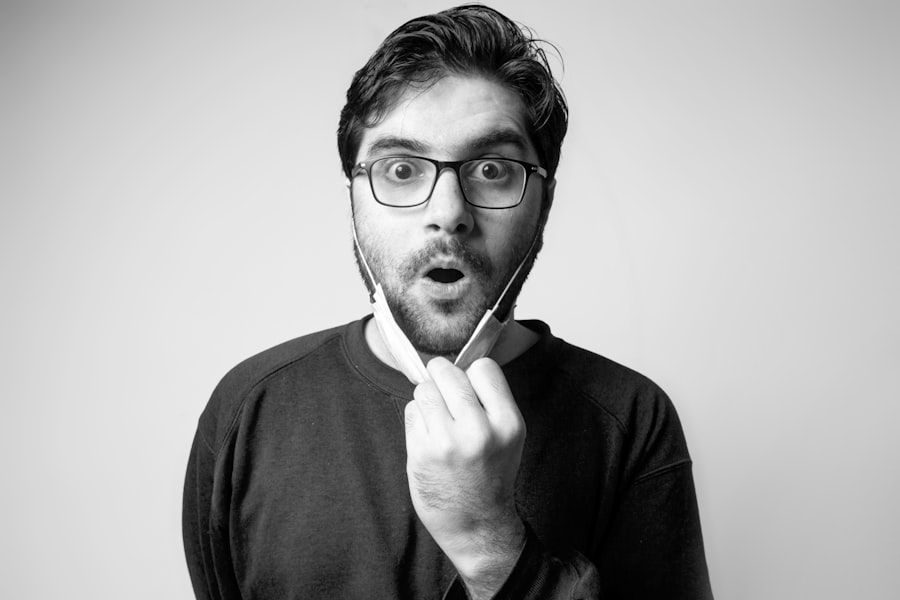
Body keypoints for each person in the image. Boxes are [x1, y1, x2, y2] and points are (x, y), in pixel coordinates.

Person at [182, 5, 713, 599]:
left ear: (544, 202)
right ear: (353, 196)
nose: (448, 213)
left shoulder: (630, 420)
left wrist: (490, 543)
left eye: (491, 168)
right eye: (401, 169)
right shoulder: (248, 410)